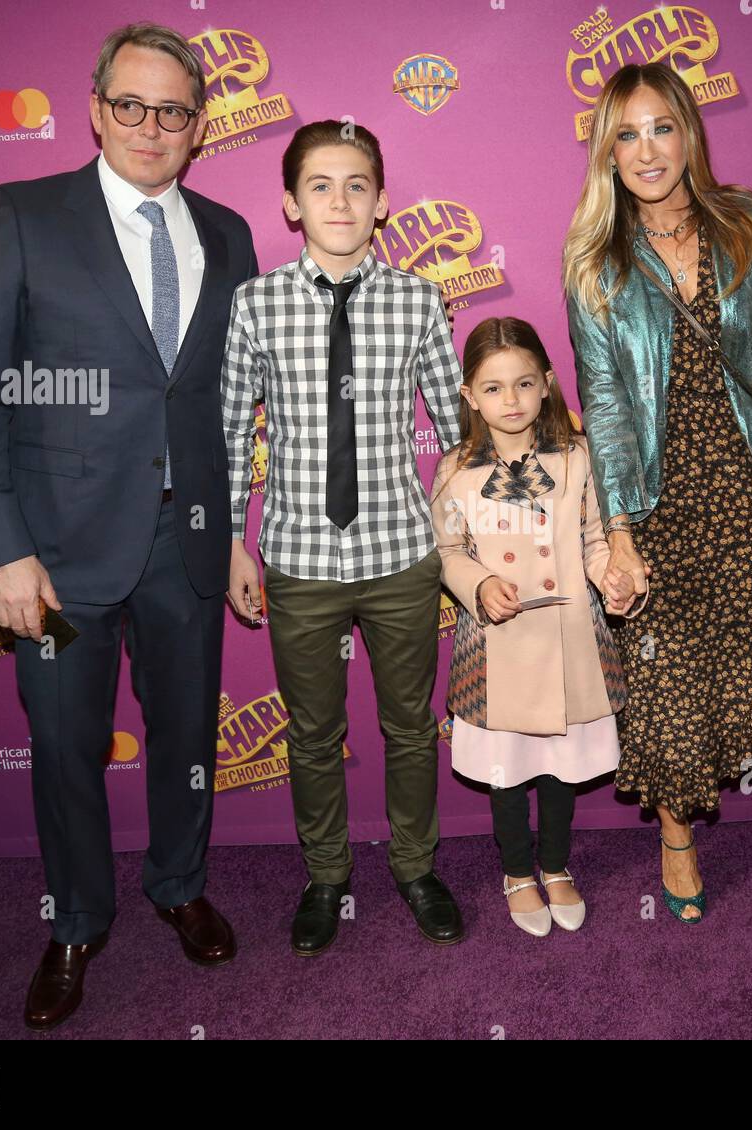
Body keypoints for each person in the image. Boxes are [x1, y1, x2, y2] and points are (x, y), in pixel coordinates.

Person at [0, 23, 258, 1029]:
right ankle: (76, 915)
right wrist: (1, 549)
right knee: (66, 741)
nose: (150, 127)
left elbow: (225, 398)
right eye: (131, 105)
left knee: (188, 735)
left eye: (171, 111)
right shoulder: (27, 213)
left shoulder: (229, 232)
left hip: (189, 541)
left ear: (197, 125)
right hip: (57, 555)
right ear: (94, 107)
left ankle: (179, 882)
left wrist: (238, 528)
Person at [563, 62, 752, 929]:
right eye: (627, 133)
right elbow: (603, 405)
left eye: (662, 128)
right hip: (657, 498)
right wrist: (620, 531)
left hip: (747, 483)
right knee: (667, 678)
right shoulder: (593, 262)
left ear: (690, 133)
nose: (647, 150)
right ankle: (676, 843)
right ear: (607, 150)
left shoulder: (741, 221)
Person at [222, 120, 465, 957]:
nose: (340, 200)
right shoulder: (254, 304)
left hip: (403, 558)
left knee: (409, 726)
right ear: (291, 204)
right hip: (298, 561)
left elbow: (459, 426)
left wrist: (470, 527)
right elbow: (228, 436)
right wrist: (232, 543)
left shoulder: (420, 300)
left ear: (383, 202)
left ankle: (415, 866)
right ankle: (326, 874)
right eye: (319, 185)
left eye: (357, 184)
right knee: (313, 733)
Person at [429, 317, 641, 936]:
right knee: (506, 770)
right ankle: (517, 872)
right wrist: (475, 585)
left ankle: (555, 865)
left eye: (524, 384)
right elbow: (447, 552)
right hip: (498, 650)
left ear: (548, 383)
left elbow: (598, 539)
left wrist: (616, 578)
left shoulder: (577, 460)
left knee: (559, 768)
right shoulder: (455, 470)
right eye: (493, 389)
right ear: (469, 396)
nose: (511, 400)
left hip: (572, 638)